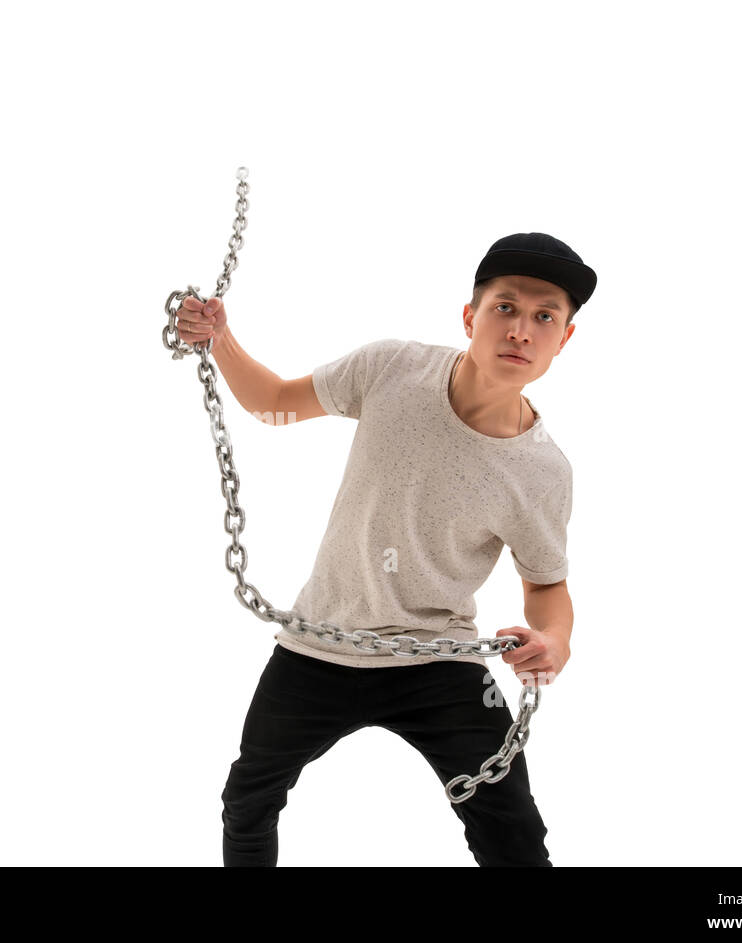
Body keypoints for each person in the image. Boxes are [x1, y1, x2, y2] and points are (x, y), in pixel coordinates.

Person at [176, 232, 597, 867]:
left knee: (511, 827)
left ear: (563, 340)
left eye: (545, 318)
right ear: (470, 317)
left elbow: (545, 585)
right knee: (248, 799)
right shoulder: (391, 368)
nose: (521, 331)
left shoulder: (543, 472)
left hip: (442, 662)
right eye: (505, 308)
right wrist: (219, 338)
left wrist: (555, 641)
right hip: (318, 645)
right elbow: (275, 404)